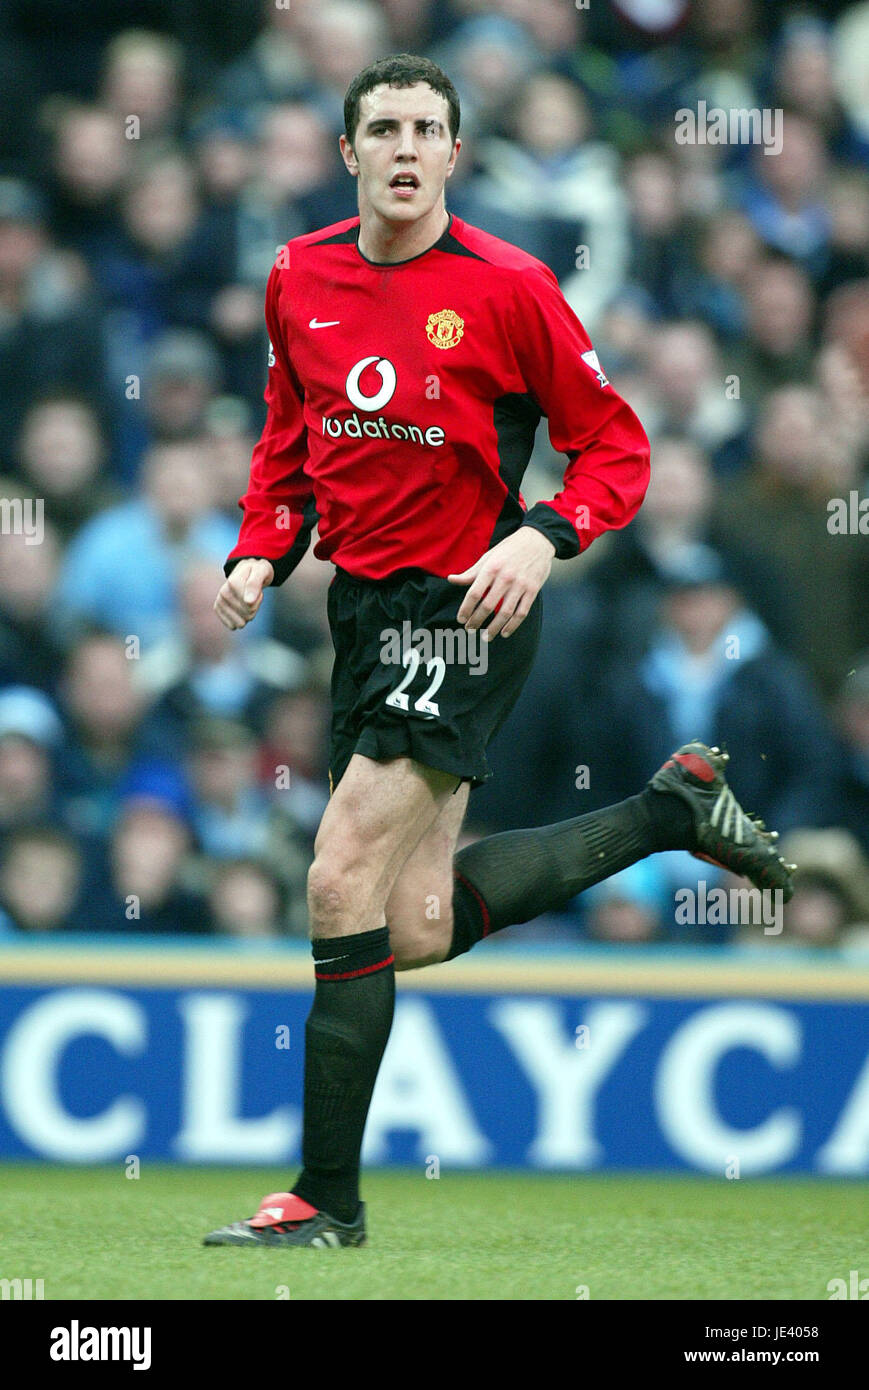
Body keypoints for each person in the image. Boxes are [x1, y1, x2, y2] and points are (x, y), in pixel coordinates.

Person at [205, 53, 795, 1251]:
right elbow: (289, 444)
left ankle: (325, 1199)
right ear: (349, 153)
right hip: (362, 617)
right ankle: (664, 812)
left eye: (429, 128)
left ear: (455, 154)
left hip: (463, 606)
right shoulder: (296, 274)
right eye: (385, 128)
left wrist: (542, 535)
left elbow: (614, 450)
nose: (407, 147)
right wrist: (262, 547)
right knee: (409, 920)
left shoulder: (510, 287)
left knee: (332, 880)